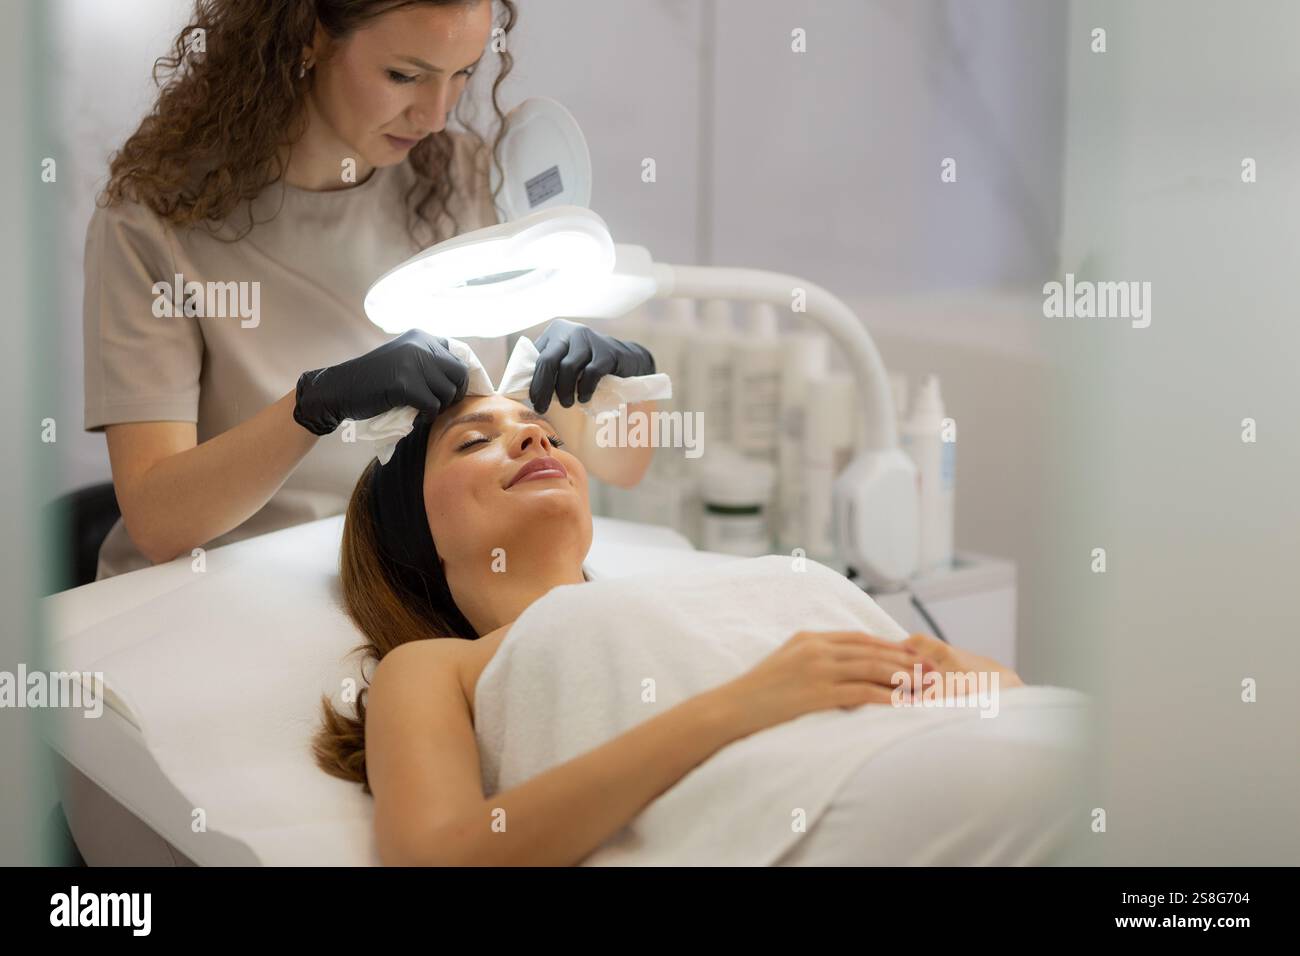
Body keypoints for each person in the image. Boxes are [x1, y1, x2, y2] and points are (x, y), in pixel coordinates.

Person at [313, 391, 1057, 866]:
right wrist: (747, 703)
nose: (538, 442)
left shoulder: (706, 583)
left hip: (996, 738)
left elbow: (1005, 686)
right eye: (474, 441)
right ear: (411, 533)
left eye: (545, 433)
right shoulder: (440, 666)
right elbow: (438, 858)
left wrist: (958, 672)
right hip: (826, 807)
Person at [81, 0, 656, 579]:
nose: (435, 116)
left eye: (462, 73)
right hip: (220, 589)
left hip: (406, 591)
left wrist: (621, 384)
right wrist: (312, 408)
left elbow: (619, 464)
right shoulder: (158, 222)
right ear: (310, 35)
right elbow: (157, 523)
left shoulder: (466, 179)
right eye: (403, 76)